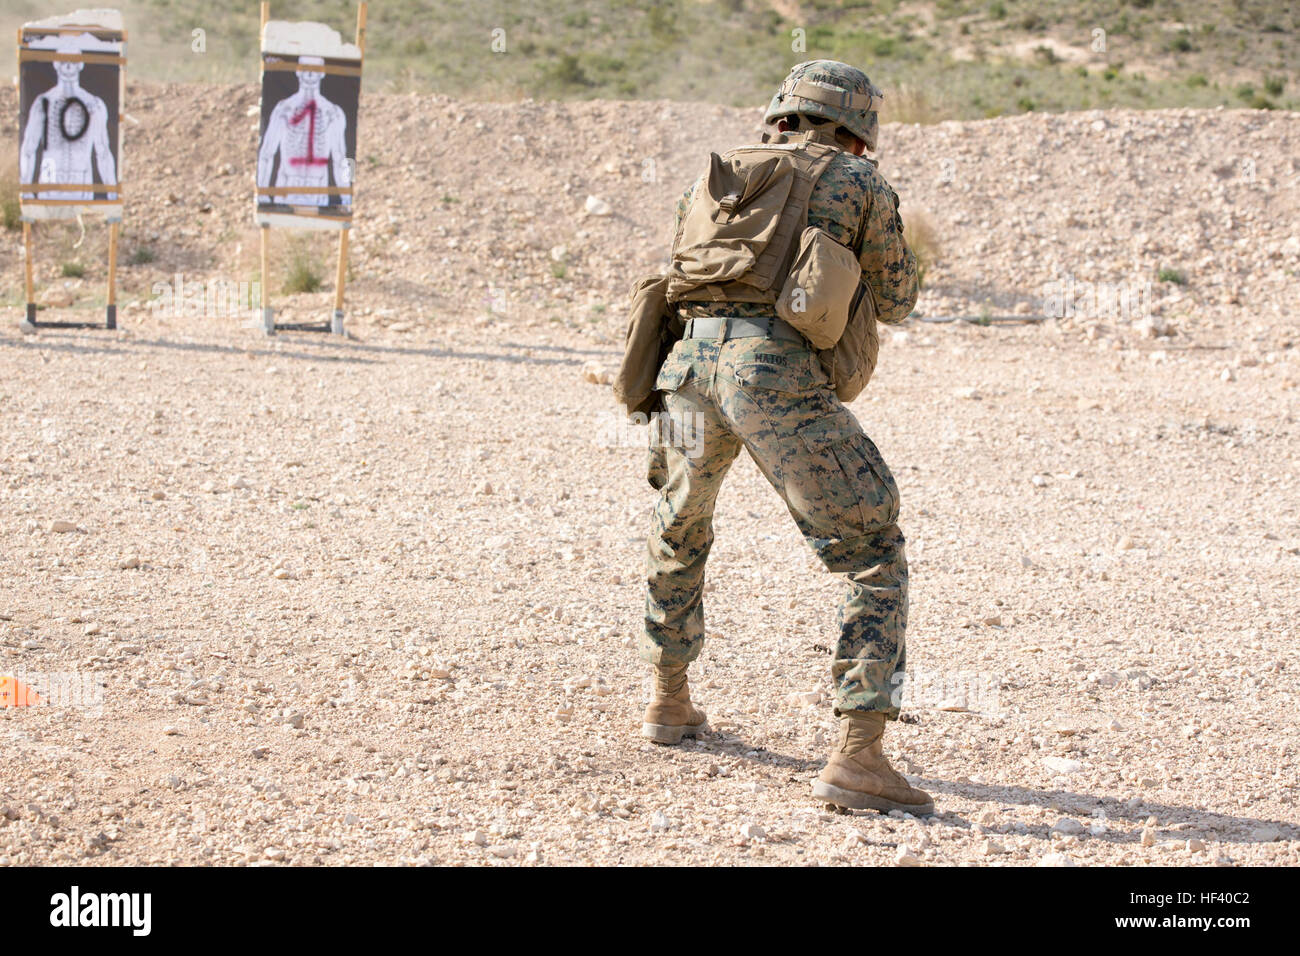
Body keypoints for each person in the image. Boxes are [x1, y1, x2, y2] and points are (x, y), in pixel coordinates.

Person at [639, 60, 932, 815]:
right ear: (858, 131)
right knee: (873, 552)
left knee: (679, 525)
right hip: (773, 372)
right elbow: (897, 297)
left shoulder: (716, 176)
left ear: (781, 116)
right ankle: (860, 756)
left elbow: (678, 275)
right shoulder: (858, 182)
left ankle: (669, 699)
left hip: (686, 367)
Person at [19, 34, 117, 201]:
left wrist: (112, 190)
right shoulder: (43, 102)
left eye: (73, 61)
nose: (68, 66)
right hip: (50, 183)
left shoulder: (94, 105)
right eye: (64, 61)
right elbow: (29, 147)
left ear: (80, 65)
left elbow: (103, 151)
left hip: (82, 183)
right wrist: (26, 187)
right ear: (56, 64)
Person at [257, 55, 351, 208]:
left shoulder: (333, 113)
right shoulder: (284, 109)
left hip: (318, 189)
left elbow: (343, 159)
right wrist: (262, 190)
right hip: (286, 186)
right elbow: (266, 153)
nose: (310, 74)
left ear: (322, 73)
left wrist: (347, 195)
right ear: (298, 71)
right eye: (305, 68)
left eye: (315, 69)